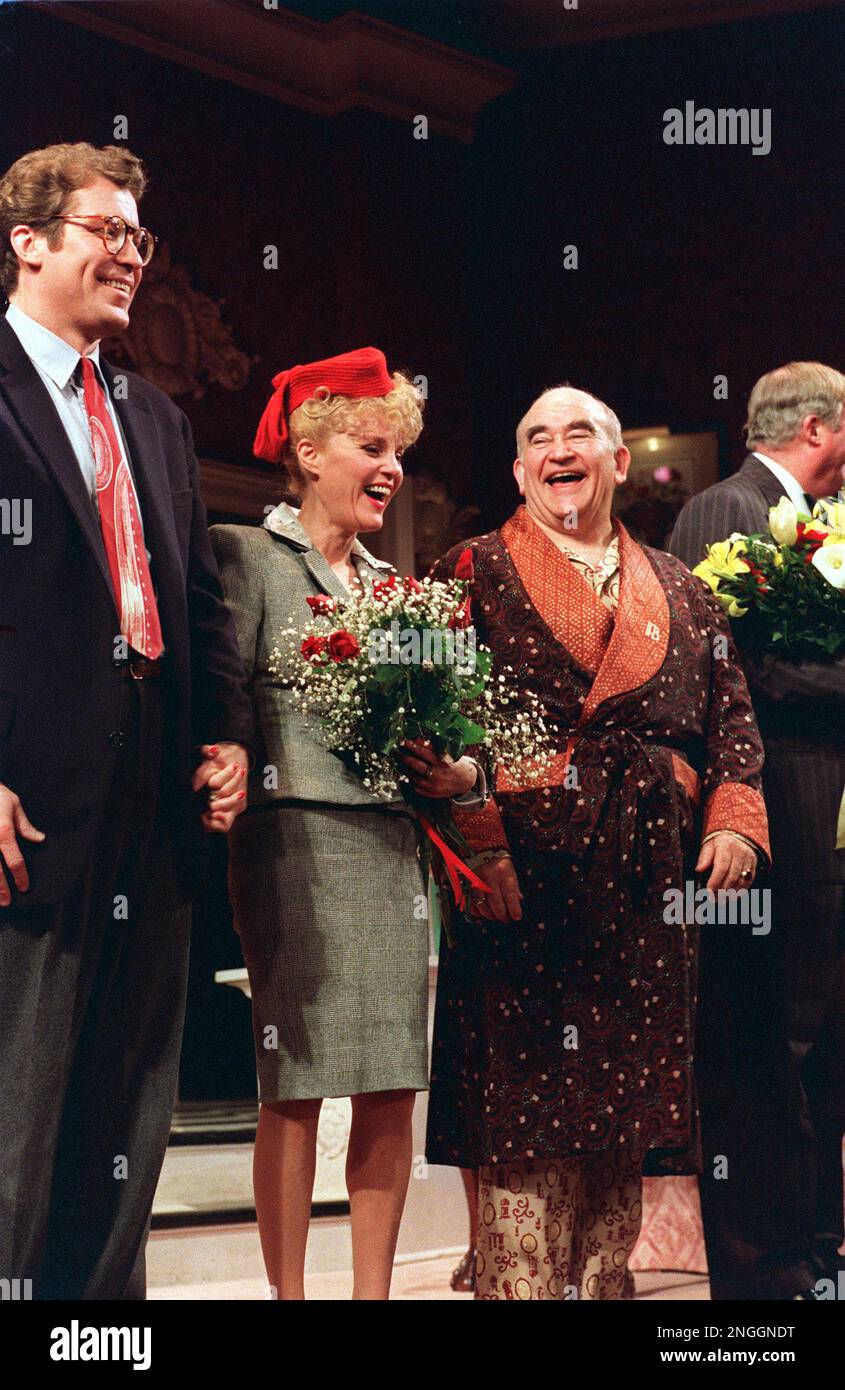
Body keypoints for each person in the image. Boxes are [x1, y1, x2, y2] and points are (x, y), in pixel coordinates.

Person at [425, 384, 771, 1301]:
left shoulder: (683, 588)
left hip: (649, 876)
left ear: (619, 463)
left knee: (621, 1109)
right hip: (523, 876)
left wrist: (734, 820)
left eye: (579, 434)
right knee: (525, 1111)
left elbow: (731, 724)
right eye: (537, 437)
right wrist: (476, 838)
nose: (557, 449)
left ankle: (604, 1282)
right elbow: (430, 725)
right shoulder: (471, 567)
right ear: (517, 469)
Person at [0, 142, 254, 1299]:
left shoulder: (148, 414)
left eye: (139, 239)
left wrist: (228, 733)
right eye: (107, 230)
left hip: (155, 801)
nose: (130, 257)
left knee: (127, 1105)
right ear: (30, 240)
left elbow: (198, 596)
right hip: (31, 801)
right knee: (18, 1108)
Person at [211, 348, 485, 1300]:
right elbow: (221, 699)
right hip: (293, 845)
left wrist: (457, 767)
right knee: (297, 1082)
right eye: (373, 446)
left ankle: (370, 1297)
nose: (393, 470)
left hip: (392, 849)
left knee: (391, 1080)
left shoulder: (393, 589)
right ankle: (290, 1298)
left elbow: (458, 721)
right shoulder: (244, 554)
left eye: (398, 451)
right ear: (309, 449)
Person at [668, 362, 845, 1300]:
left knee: (822, 1054)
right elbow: (733, 678)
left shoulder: (822, 527)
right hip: (766, 830)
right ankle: (758, 1271)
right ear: (817, 427)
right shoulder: (722, 511)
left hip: (827, 834)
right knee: (762, 1053)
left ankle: (818, 1248)